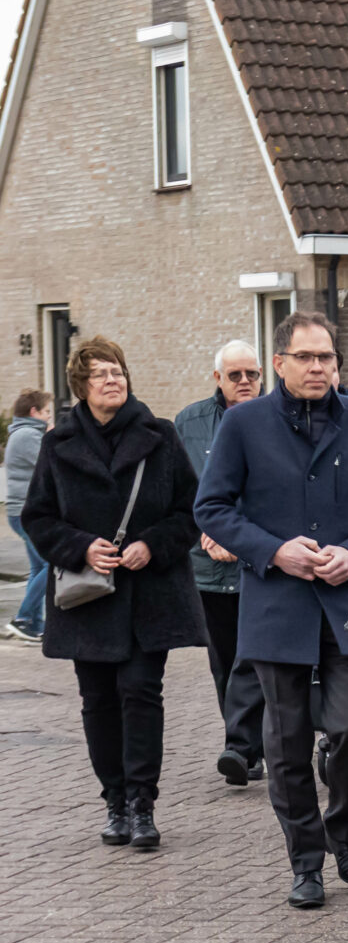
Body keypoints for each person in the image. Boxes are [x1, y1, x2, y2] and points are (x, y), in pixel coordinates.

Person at [195, 311, 348, 909]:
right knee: (284, 743)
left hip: (346, 603)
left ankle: (345, 834)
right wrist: (272, 550)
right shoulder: (244, 424)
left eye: (328, 358)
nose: (318, 368)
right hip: (277, 604)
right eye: (306, 358)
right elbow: (213, 507)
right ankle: (305, 861)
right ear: (279, 362)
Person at [21, 339, 207, 852]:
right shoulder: (57, 444)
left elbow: (191, 511)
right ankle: (115, 801)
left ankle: (143, 804)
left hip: (151, 596)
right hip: (88, 600)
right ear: (81, 386)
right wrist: (80, 547)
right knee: (98, 701)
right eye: (100, 374)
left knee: (141, 693)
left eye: (118, 371)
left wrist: (152, 543)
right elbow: (36, 517)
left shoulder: (160, 436)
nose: (112, 380)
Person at [175, 342, 267, 785]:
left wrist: (243, 537)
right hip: (209, 566)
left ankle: (248, 746)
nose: (244, 381)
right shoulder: (188, 424)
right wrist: (204, 533)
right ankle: (241, 745)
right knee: (224, 659)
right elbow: (180, 491)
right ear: (217, 379)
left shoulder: (276, 419)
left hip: (260, 564)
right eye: (235, 375)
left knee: (261, 657)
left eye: (251, 373)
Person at [5, 389, 53, 642]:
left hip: (20, 511)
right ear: (34, 412)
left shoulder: (23, 433)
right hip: (27, 512)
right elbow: (51, 464)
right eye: (47, 412)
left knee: (37, 567)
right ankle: (23, 619)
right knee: (51, 564)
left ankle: (34, 625)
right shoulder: (27, 435)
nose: (49, 417)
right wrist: (52, 437)